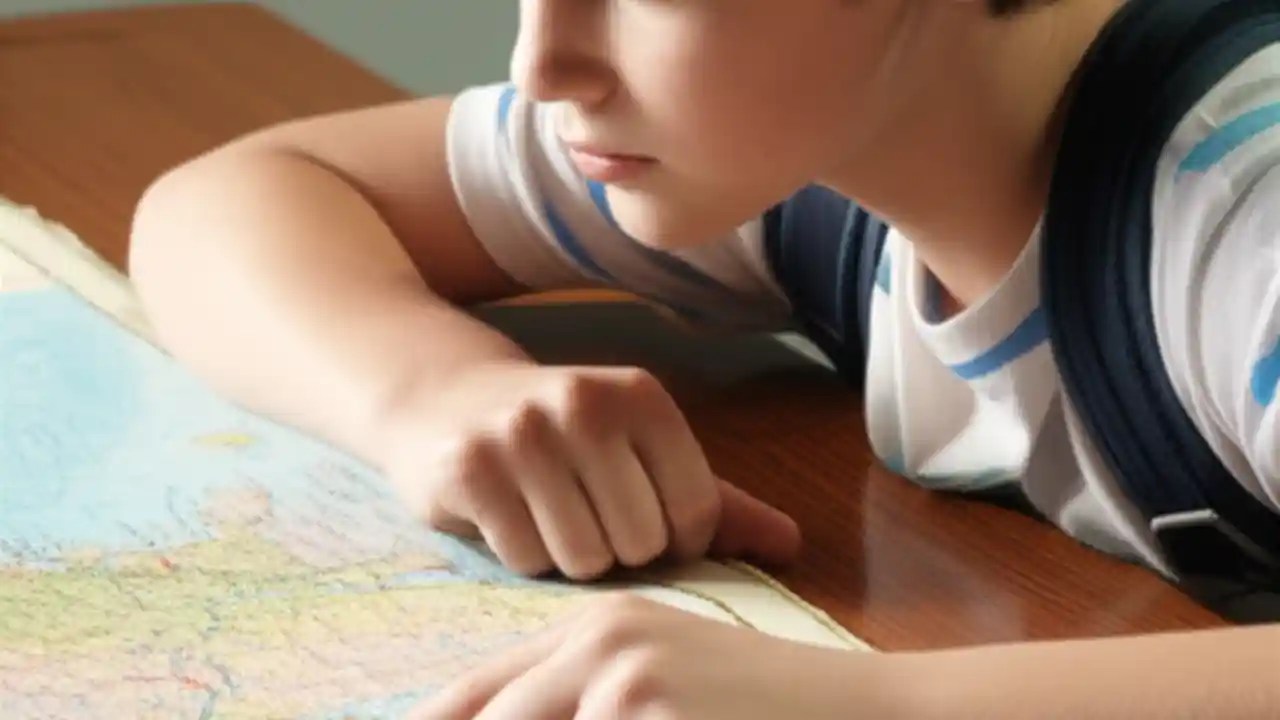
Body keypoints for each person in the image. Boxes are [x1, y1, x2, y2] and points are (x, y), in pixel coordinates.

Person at [128, 0, 1280, 716]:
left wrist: (883, 711)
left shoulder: (1244, 211)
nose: (545, 61)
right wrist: (428, 391)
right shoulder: (807, 155)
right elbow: (226, 200)